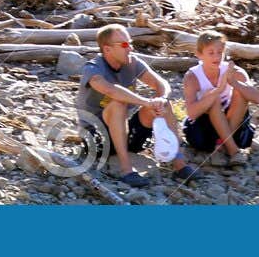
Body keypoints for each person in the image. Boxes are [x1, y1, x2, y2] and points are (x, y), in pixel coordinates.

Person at [77, 23, 187, 187]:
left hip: (125, 133)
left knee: (164, 104)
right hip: (97, 140)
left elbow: (161, 83)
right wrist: (146, 102)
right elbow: (111, 90)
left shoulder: (132, 62)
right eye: (124, 44)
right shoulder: (93, 68)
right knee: (118, 104)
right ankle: (127, 170)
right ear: (107, 49)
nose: (130, 48)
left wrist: (161, 98)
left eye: (130, 43)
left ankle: (180, 165)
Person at [181, 30, 259, 164]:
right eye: (211, 53)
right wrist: (218, 90)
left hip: (232, 123)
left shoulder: (234, 71)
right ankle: (233, 150)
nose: (216, 57)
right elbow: (192, 113)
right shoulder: (192, 76)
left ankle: (222, 147)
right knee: (212, 97)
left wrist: (234, 82)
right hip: (204, 127)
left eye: (220, 52)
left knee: (240, 93)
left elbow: (258, 99)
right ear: (199, 54)